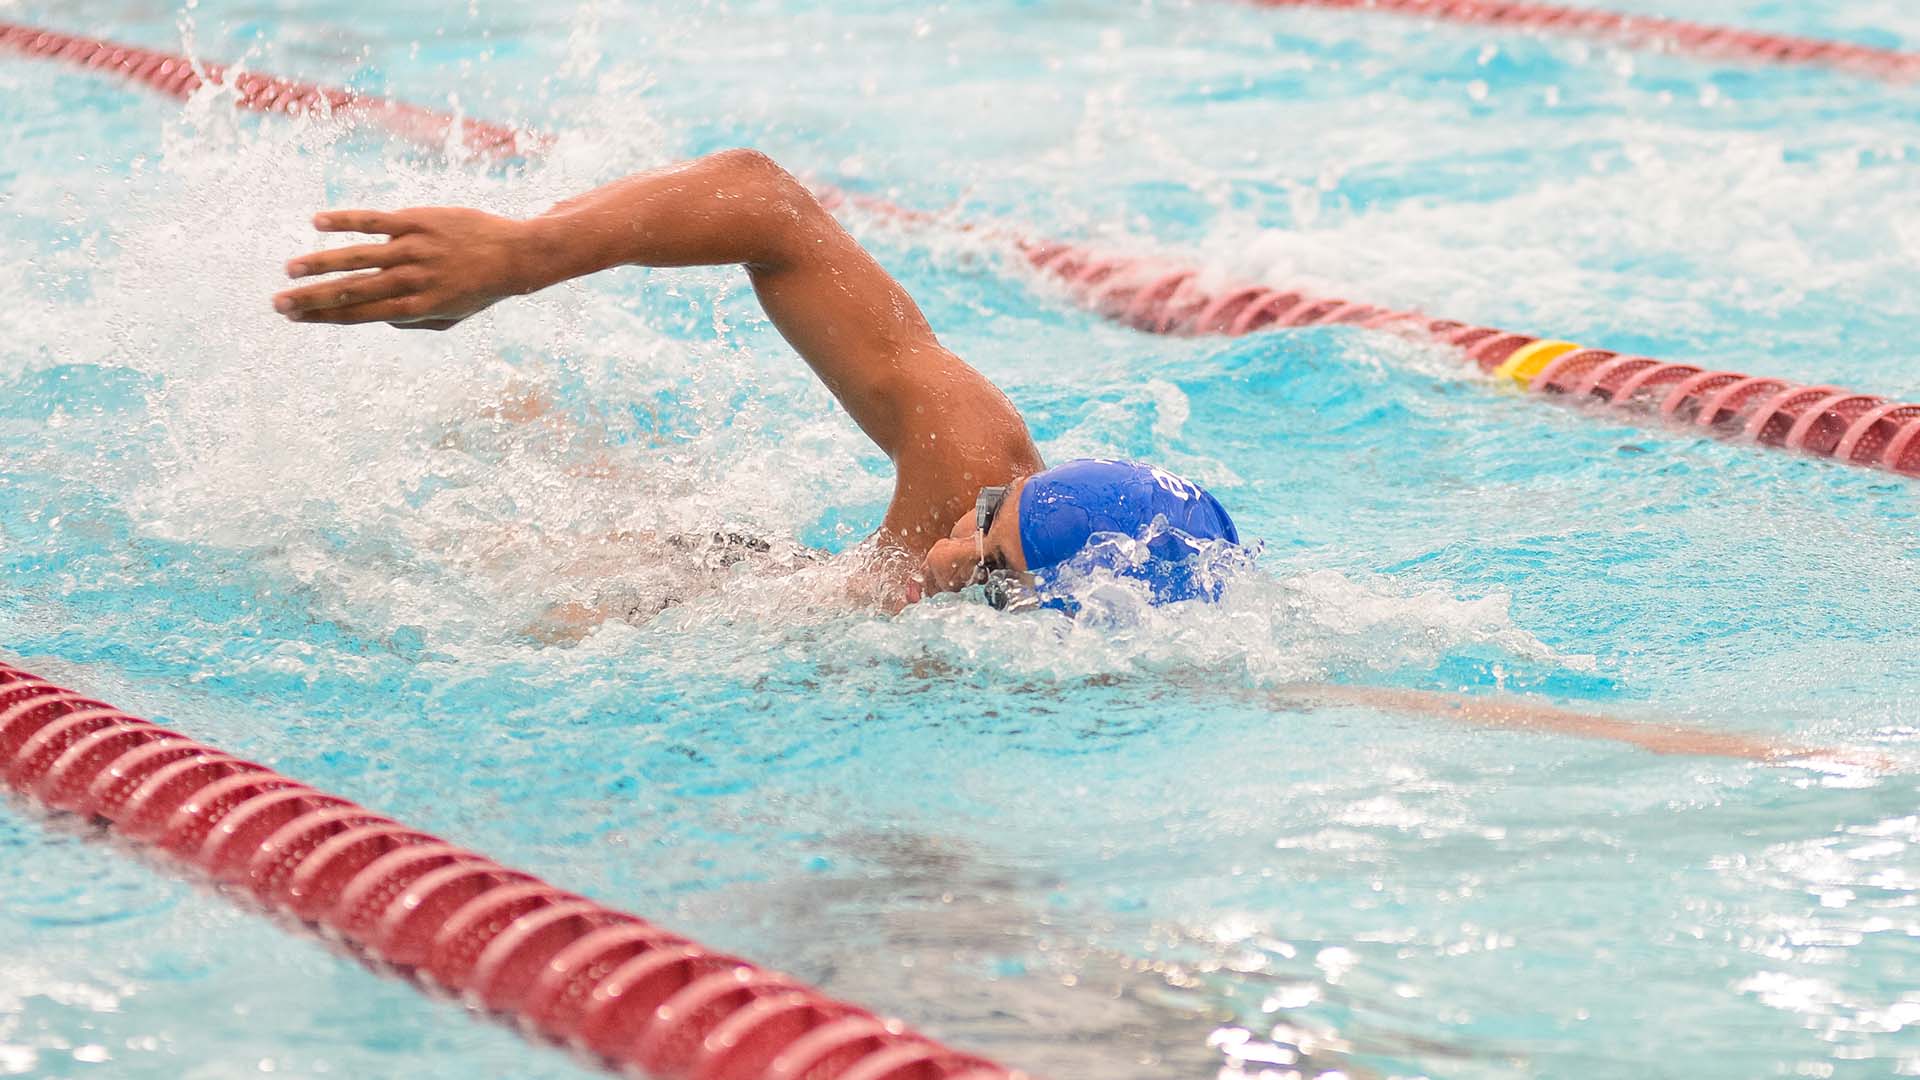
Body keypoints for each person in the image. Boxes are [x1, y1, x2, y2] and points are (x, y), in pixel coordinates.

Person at [270, 148, 1238, 614]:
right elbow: (768, 207)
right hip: (721, 585)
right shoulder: (971, 467)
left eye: (991, 576)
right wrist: (527, 255)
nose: (945, 552)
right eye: (985, 514)